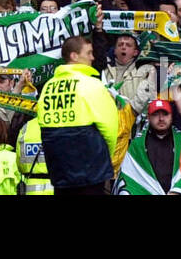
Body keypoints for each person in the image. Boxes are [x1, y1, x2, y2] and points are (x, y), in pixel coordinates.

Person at [36, 36, 121, 195]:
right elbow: (110, 127)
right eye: (88, 53)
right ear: (74, 56)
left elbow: (42, 123)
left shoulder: (48, 86)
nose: (92, 58)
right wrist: (105, 157)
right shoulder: (91, 84)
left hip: (59, 167)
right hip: (90, 168)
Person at [118, 98, 181, 195]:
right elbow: (128, 177)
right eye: (155, 114)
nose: (161, 119)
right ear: (148, 117)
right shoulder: (137, 145)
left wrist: (177, 191)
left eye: (165, 114)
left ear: (171, 116)